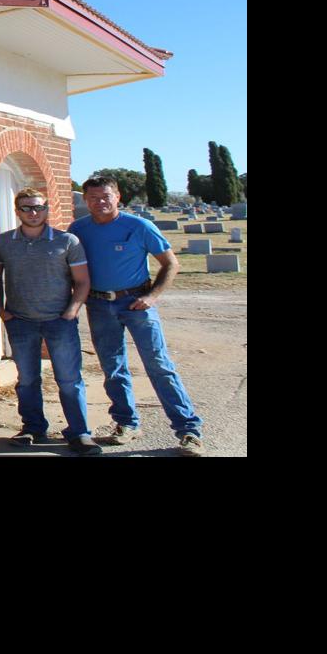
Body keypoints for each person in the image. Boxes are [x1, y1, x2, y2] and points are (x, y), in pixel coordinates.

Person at [70, 176, 206, 456]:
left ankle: (189, 430)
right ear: (85, 200)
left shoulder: (139, 226)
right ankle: (126, 424)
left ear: (117, 196)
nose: (100, 202)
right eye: (93, 197)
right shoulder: (78, 229)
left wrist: (152, 296)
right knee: (113, 367)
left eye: (106, 196)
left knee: (159, 365)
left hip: (136, 303)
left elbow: (171, 263)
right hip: (99, 304)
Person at [0, 188, 100, 455]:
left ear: (47, 209)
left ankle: (79, 432)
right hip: (21, 321)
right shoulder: (2, 242)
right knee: (27, 379)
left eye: (38, 207)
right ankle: (33, 427)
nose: (33, 212)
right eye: (26, 208)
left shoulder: (67, 241)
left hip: (59, 320)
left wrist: (71, 311)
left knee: (69, 380)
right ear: (17, 212)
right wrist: (2, 311)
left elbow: (82, 281)